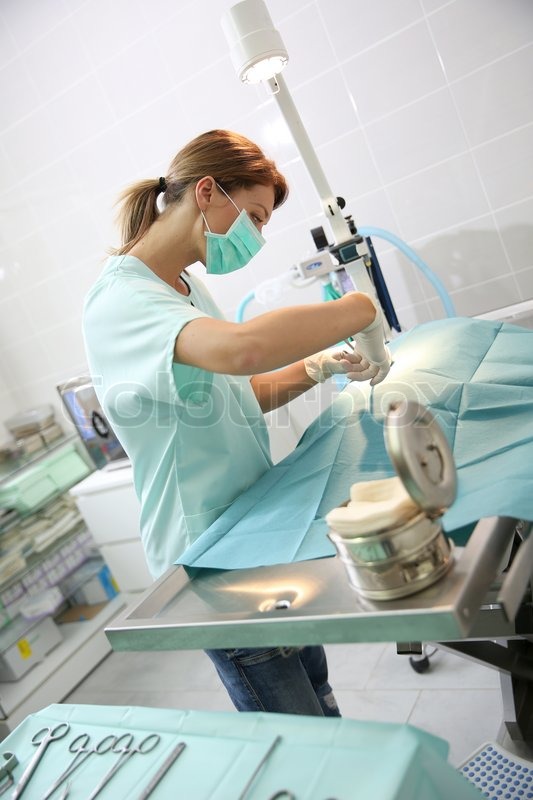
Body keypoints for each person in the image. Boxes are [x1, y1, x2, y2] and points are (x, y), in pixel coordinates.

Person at [83, 129, 391, 717]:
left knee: (318, 692)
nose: (254, 236)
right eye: (251, 215)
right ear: (205, 191)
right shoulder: (120, 300)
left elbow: (234, 394)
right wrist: (358, 306)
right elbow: (244, 350)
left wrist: (316, 365)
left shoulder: (183, 286)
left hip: (251, 528)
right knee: (295, 725)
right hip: (205, 552)